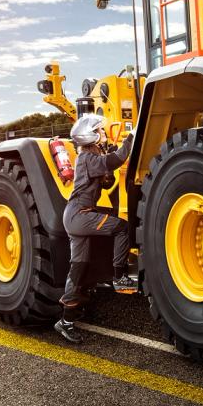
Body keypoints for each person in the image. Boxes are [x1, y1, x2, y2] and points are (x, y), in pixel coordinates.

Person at [55, 113, 138, 344]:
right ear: (91, 135)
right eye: (100, 130)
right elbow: (116, 161)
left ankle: (65, 322)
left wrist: (109, 157)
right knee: (122, 227)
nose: (103, 133)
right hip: (79, 214)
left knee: (78, 268)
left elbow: (108, 179)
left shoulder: (92, 156)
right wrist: (130, 137)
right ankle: (119, 277)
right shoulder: (86, 158)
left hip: (76, 215)